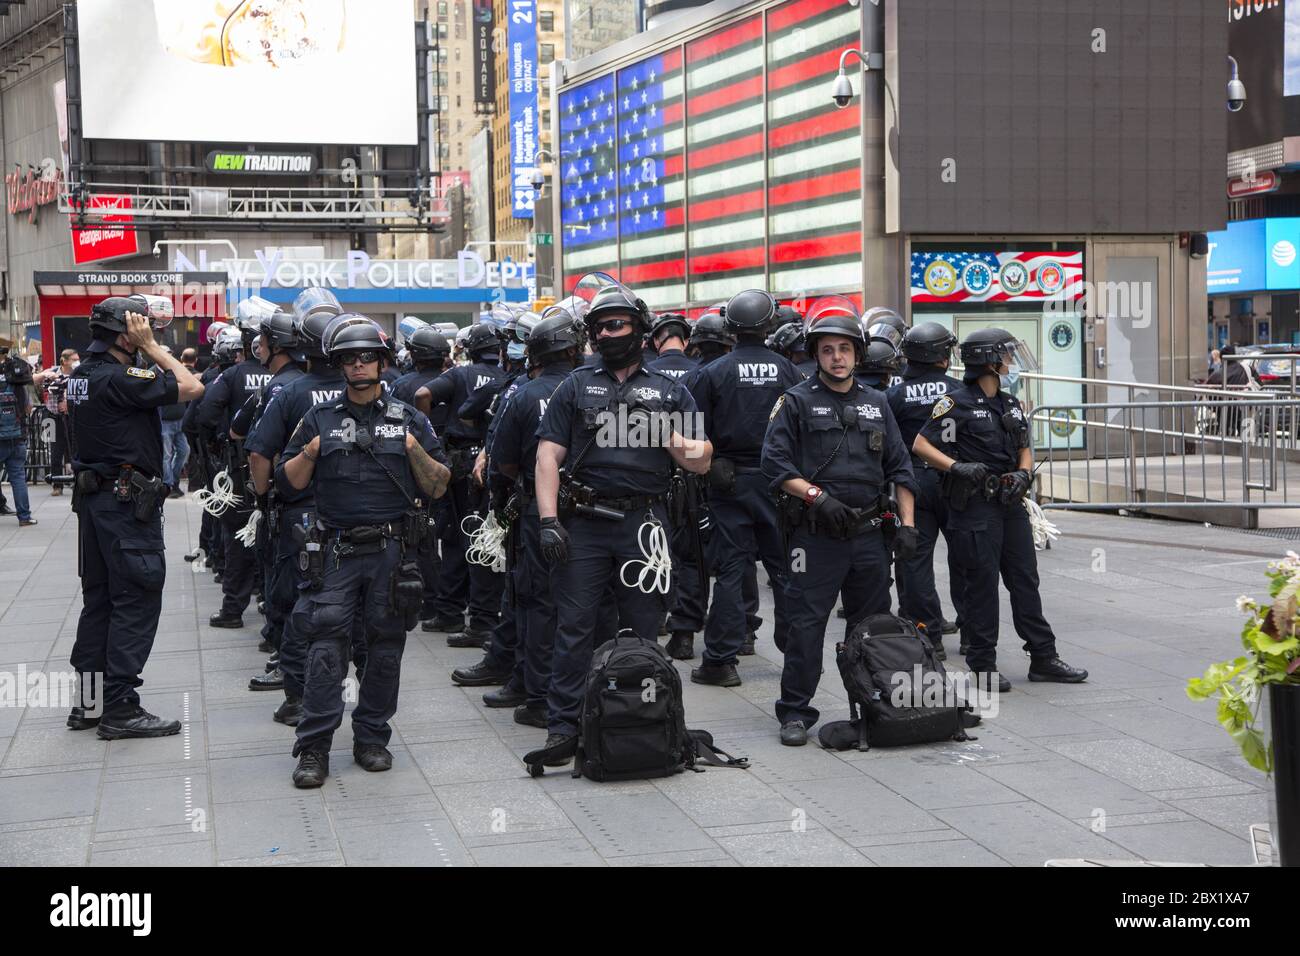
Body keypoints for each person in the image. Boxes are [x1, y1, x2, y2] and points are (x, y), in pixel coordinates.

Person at [531, 277, 712, 766]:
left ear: (640, 328)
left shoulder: (670, 390)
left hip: (645, 524)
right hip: (583, 523)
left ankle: (645, 721)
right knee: (573, 628)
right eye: (601, 327)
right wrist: (549, 520)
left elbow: (702, 458)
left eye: (618, 325)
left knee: (643, 627)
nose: (609, 334)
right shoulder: (575, 385)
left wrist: (664, 433)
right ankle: (562, 727)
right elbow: (548, 455)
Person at [277, 315, 450, 788]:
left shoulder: (411, 420)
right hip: (335, 552)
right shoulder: (318, 419)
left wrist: (411, 445)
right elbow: (288, 481)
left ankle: (372, 738)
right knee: (325, 651)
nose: (358, 365)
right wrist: (313, 449)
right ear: (338, 365)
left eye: (367, 356)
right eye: (349, 358)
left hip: (393, 553)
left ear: (383, 362)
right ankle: (313, 749)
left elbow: (437, 486)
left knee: (385, 650)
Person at [761, 306, 919, 746]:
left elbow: (901, 468)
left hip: (869, 535)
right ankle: (795, 712)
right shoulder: (795, 401)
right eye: (827, 350)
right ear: (815, 355)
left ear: (857, 354)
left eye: (844, 349)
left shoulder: (878, 403)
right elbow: (773, 465)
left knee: (870, 626)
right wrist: (817, 497)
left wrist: (906, 525)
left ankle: (876, 702)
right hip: (816, 536)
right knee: (806, 626)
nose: (836, 358)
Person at [913, 327, 1088, 693]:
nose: (1011, 362)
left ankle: (1043, 657)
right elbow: (921, 444)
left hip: (1009, 505)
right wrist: (956, 467)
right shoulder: (955, 402)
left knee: (1025, 580)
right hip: (973, 508)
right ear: (988, 361)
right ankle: (983, 664)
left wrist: (1024, 474)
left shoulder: (1009, 403)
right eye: (1006, 356)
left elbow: (1024, 444)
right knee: (982, 586)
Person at [66, 296, 204, 737]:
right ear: (126, 336)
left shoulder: (81, 376)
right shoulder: (121, 376)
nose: (153, 336)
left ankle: (88, 704)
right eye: (145, 330)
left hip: (95, 503)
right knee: (136, 598)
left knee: (101, 600)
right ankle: (121, 708)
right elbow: (191, 387)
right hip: (126, 505)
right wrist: (156, 351)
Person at [469, 307, 581, 727]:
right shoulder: (592, 387)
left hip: (537, 513)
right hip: (588, 512)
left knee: (535, 602)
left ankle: (537, 696)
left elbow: (505, 461)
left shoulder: (522, 395)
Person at [689, 290, 803, 686]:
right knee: (785, 570)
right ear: (770, 324)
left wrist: (710, 462)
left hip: (729, 481)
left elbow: (692, 429)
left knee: (732, 571)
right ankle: (796, 654)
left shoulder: (713, 372)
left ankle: (721, 661)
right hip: (778, 481)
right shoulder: (789, 372)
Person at [242, 290, 345, 717]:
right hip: (355, 516)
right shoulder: (364, 390)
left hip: (299, 515)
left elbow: (257, 453)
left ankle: (296, 691)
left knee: (297, 601)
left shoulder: (287, 391)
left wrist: (266, 497)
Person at [414, 323, 506, 645]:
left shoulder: (460, 374)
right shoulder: (509, 377)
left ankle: (453, 612)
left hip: (463, 465)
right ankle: (485, 612)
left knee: (456, 536)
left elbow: (422, 395)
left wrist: (431, 435)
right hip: (495, 462)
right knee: (489, 537)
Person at [196, 297, 278, 629]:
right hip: (282, 470)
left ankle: (233, 609)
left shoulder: (231, 376)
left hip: (241, 469)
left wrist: (218, 444)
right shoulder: (287, 377)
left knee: (239, 539)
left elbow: (203, 415)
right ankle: (269, 604)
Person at [886, 322, 966, 659]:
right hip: (956, 480)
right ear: (943, 356)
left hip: (912, 485)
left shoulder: (894, 395)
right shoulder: (961, 391)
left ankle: (927, 635)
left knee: (915, 562)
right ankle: (973, 635)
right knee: (967, 560)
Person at [0, 339, 37, 526]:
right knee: (18, 477)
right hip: (17, 435)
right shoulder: (17, 377)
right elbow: (29, 407)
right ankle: (24, 517)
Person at [159, 349, 194, 498]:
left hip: (179, 420)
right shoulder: (153, 373)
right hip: (165, 422)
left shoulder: (176, 370)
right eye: (166, 354)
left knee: (184, 451)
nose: (169, 356)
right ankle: (168, 485)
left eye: (170, 354)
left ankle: (173, 481)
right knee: (166, 455)